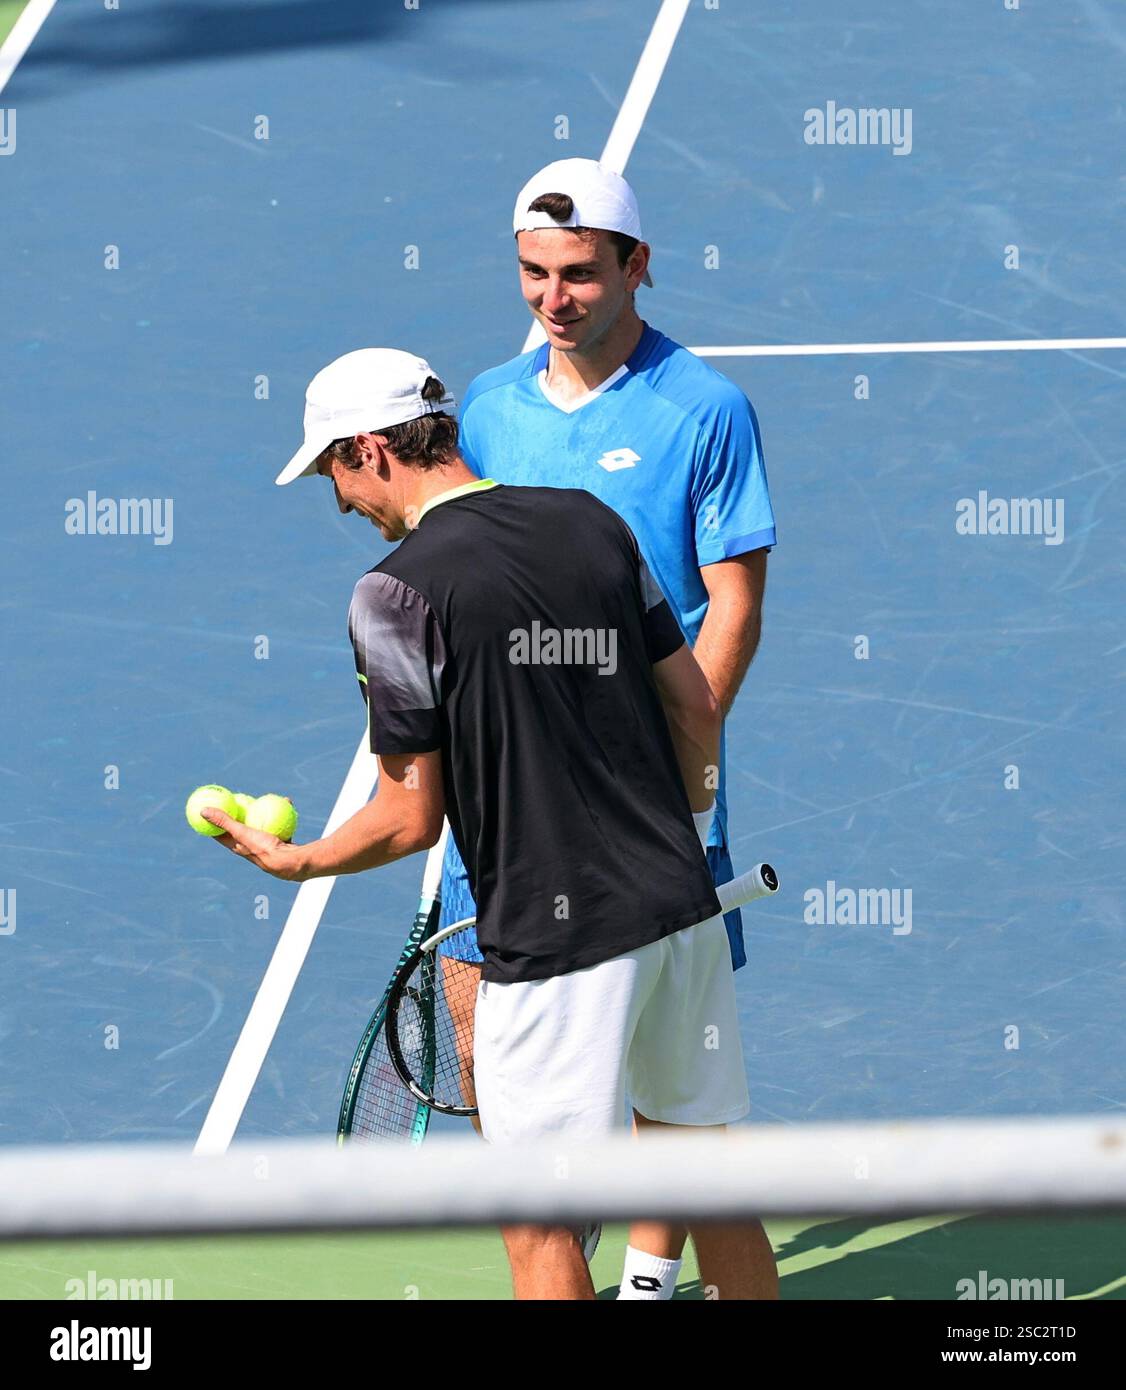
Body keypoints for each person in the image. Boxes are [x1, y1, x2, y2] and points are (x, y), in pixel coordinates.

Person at [204, 347, 758, 1300]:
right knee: (707, 1181)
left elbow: (409, 818)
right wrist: (688, 826)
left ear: (372, 449)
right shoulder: (596, 525)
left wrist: (300, 861)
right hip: (680, 905)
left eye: (334, 472)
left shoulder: (392, 596)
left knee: (538, 1225)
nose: (340, 503)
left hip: (557, 941)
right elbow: (695, 710)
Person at [438, 158, 779, 1299]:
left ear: (637, 265)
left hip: (648, 793)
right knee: (488, 1040)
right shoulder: (485, 406)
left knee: (669, 1078)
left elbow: (731, 598)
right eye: (534, 273)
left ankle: (642, 1272)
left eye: (579, 273)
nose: (554, 297)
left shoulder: (704, 409)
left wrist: (689, 762)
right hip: (508, 796)